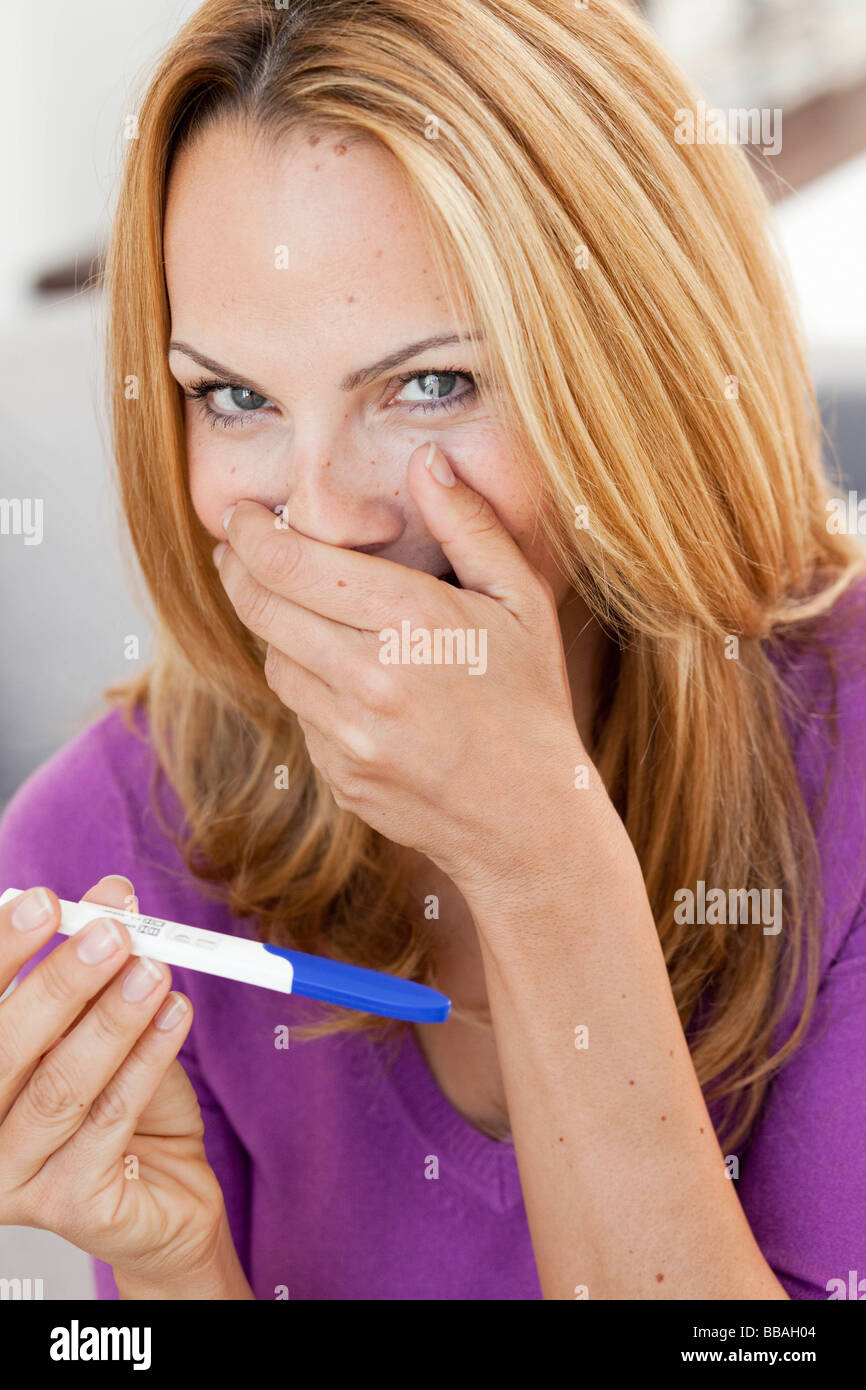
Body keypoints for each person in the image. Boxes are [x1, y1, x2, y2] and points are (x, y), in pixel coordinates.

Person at [1, 0, 865, 1300]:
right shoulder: (106, 844)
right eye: (233, 396)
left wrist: (539, 860)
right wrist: (180, 1265)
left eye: (429, 384)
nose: (326, 516)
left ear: (640, 365)